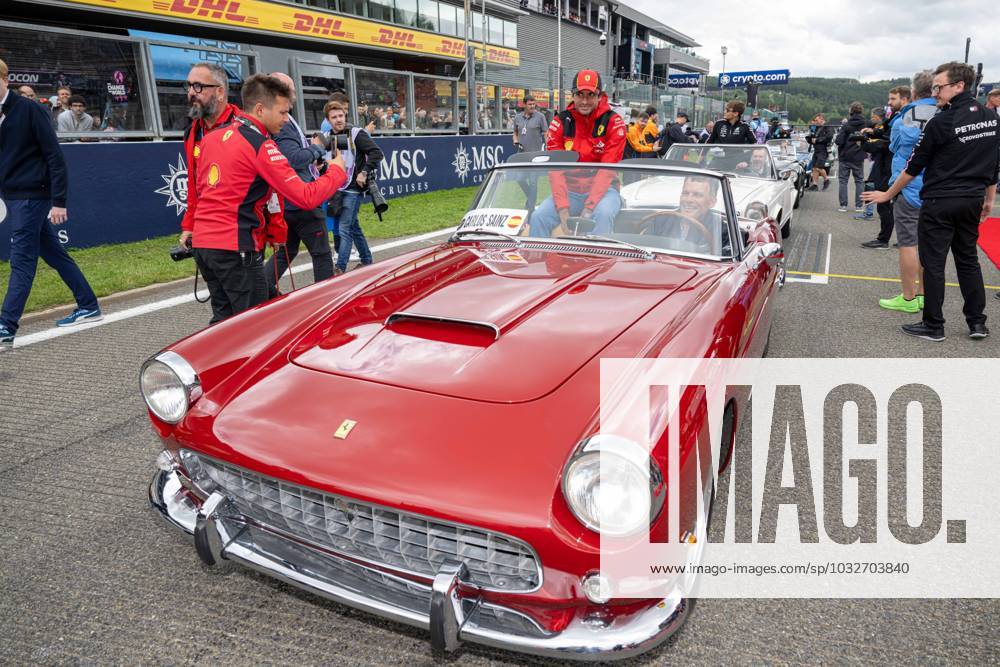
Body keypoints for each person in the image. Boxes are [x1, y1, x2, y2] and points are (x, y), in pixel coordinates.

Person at [183, 74, 348, 324]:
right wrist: (336, 171)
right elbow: (305, 196)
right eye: (283, 112)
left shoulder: (211, 138)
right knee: (258, 326)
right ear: (260, 109)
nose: (286, 119)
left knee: (223, 324)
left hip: (204, 246)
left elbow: (202, 191)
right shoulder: (261, 145)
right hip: (235, 247)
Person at [862, 62, 999, 341]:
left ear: (959, 86)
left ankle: (934, 325)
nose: (935, 93)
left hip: (941, 200)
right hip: (972, 198)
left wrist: (887, 194)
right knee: (968, 260)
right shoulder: (991, 118)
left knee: (933, 262)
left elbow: (914, 165)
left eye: (939, 87)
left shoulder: (942, 121)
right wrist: (988, 200)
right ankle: (977, 323)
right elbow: (994, 164)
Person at [0, 58, 102, 349]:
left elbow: (55, 156)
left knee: (21, 259)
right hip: (14, 195)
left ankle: (6, 325)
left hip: (34, 195)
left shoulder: (30, 109)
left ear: (5, 79)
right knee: (53, 253)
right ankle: (88, 304)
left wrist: (59, 201)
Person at [261, 72, 335, 299]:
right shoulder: (282, 124)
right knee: (322, 254)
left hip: (288, 202)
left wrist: (313, 157)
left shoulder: (281, 120)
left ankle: (264, 293)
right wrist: (317, 148)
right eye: (290, 90)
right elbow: (292, 159)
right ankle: (326, 303)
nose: (294, 96)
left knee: (287, 251)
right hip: (301, 200)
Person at [529, 69, 627, 237]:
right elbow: (556, 170)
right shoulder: (560, 121)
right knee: (538, 217)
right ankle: (535, 255)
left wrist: (589, 208)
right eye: (580, 94)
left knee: (602, 215)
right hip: (570, 191)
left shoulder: (613, 122)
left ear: (600, 96)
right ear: (572, 95)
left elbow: (607, 169)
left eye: (591, 95)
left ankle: (597, 255)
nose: (584, 101)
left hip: (604, 191)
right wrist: (563, 209)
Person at [178, 62, 240, 248]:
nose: (191, 92)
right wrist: (190, 225)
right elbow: (194, 184)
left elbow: (268, 185)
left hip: (241, 235)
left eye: (198, 86)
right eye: (189, 86)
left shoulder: (245, 129)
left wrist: (276, 228)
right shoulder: (192, 131)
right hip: (207, 235)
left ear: (220, 92)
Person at [325, 100, 384, 274]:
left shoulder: (356, 133)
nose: (338, 119)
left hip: (353, 189)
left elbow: (377, 153)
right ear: (328, 120)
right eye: (334, 117)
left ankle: (340, 268)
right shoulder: (327, 136)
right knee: (353, 226)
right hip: (337, 189)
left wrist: (364, 172)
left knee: (344, 228)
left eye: (341, 115)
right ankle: (366, 260)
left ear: (345, 115)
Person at [860, 87, 911, 247]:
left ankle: (885, 240)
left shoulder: (907, 117)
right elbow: (885, 133)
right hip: (887, 165)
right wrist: (872, 133)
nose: (889, 102)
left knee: (887, 204)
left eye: (893, 99)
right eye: (889, 99)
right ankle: (898, 239)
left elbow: (887, 143)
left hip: (892, 166)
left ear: (904, 99)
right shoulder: (897, 115)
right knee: (889, 204)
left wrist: (865, 144)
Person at [835, 101, 866, 212]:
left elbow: (839, 141)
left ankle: (843, 205)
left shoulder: (846, 125)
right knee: (859, 181)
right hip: (859, 156)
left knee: (843, 181)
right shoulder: (865, 124)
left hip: (845, 156)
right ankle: (859, 206)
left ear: (851, 111)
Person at [806, 114, 834, 190]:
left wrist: (817, 140)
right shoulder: (817, 127)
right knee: (814, 168)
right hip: (816, 150)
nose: (815, 122)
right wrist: (810, 139)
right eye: (815, 120)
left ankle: (827, 180)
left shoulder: (828, 126)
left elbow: (829, 137)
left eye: (816, 120)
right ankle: (815, 185)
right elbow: (814, 138)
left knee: (819, 167)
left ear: (822, 119)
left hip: (823, 150)